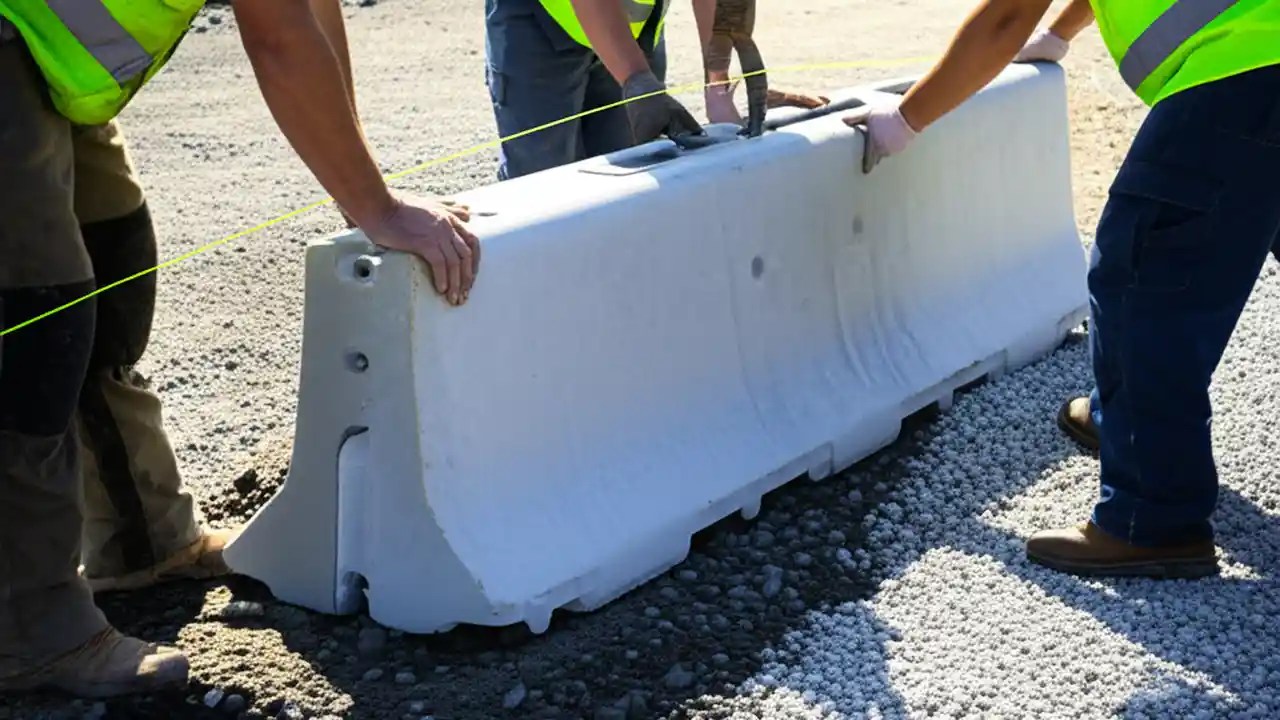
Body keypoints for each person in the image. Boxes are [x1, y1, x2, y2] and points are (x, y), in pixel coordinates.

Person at [0, 0, 480, 699]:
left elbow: (310, 16)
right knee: (34, 328)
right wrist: (376, 209)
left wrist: (365, 194)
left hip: (38, 54)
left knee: (111, 278)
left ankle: (142, 544)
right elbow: (278, 38)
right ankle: (27, 629)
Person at [843, 0, 1280, 579]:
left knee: (1141, 275)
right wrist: (1060, 32)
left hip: (1241, 77)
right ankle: (1127, 425)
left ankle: (1149, 519)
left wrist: (905, 119)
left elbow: (1005, 16)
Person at [484, 0, 828, 181]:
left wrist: (720, 84)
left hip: (633, 27)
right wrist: (636, 79)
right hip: (538, 24)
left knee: (631, 175)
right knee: (542, 183)